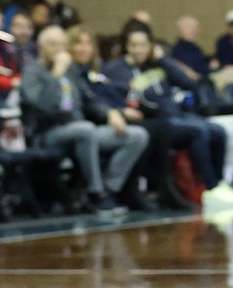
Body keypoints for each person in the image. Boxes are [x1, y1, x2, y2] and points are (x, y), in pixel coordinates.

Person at [103, 27, 233, 209]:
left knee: (218, 132)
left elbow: (190, 84)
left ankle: (220, 183)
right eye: (134, 45)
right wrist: (122, 110)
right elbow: (113, 96)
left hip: (178, 115)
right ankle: (210, 187)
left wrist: (163, 60)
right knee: (199, 132)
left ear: (151, 46)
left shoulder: (157, 64)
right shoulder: (116, 70)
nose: (138, 50)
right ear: (126, 46)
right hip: (154, 121)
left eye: (143, 45)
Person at [20, 25, 150, 213]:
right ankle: (94, 193)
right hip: (49, 132)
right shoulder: (33, 72)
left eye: (62, 45)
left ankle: (109, 189)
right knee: (85, 129)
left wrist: (111, 113)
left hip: (81, 129)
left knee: (137, 135)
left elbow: (90, 99)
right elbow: (43, 106)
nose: (59, 50)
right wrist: (55, 75)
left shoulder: (70, 70)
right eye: (53, 45)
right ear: (41, 47)